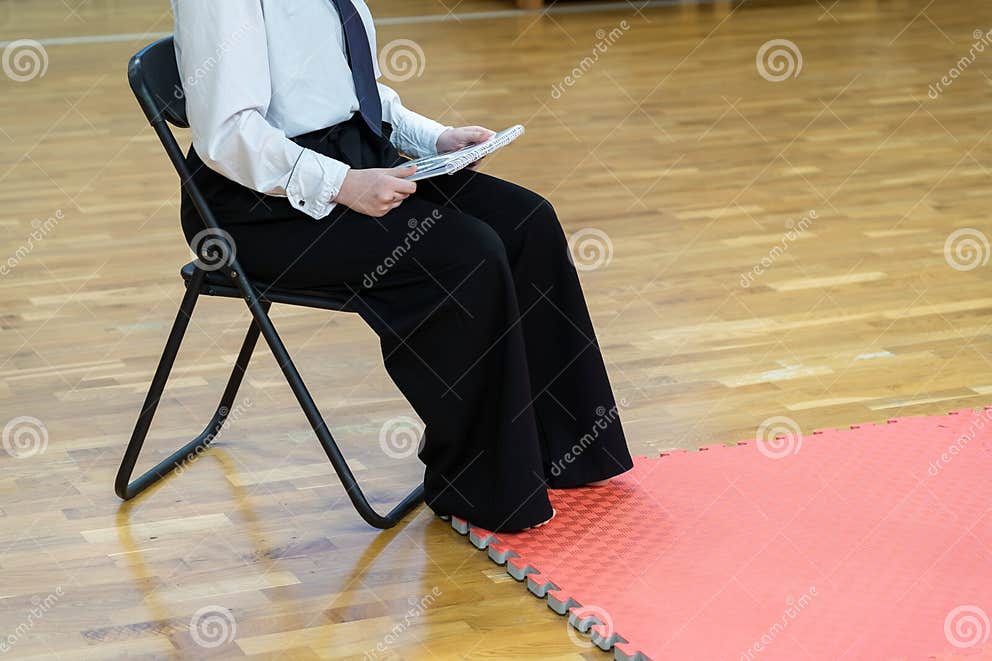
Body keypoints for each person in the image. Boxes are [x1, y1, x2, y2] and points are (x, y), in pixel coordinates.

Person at [170, 0, 633, 532]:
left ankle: (565, 449)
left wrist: (436, 138)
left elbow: (357, 96)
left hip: (349, 160)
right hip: (252, 207)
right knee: (465, 254)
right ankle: (481, 483)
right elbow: (225, 135)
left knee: (526, 221)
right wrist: (342, 185)